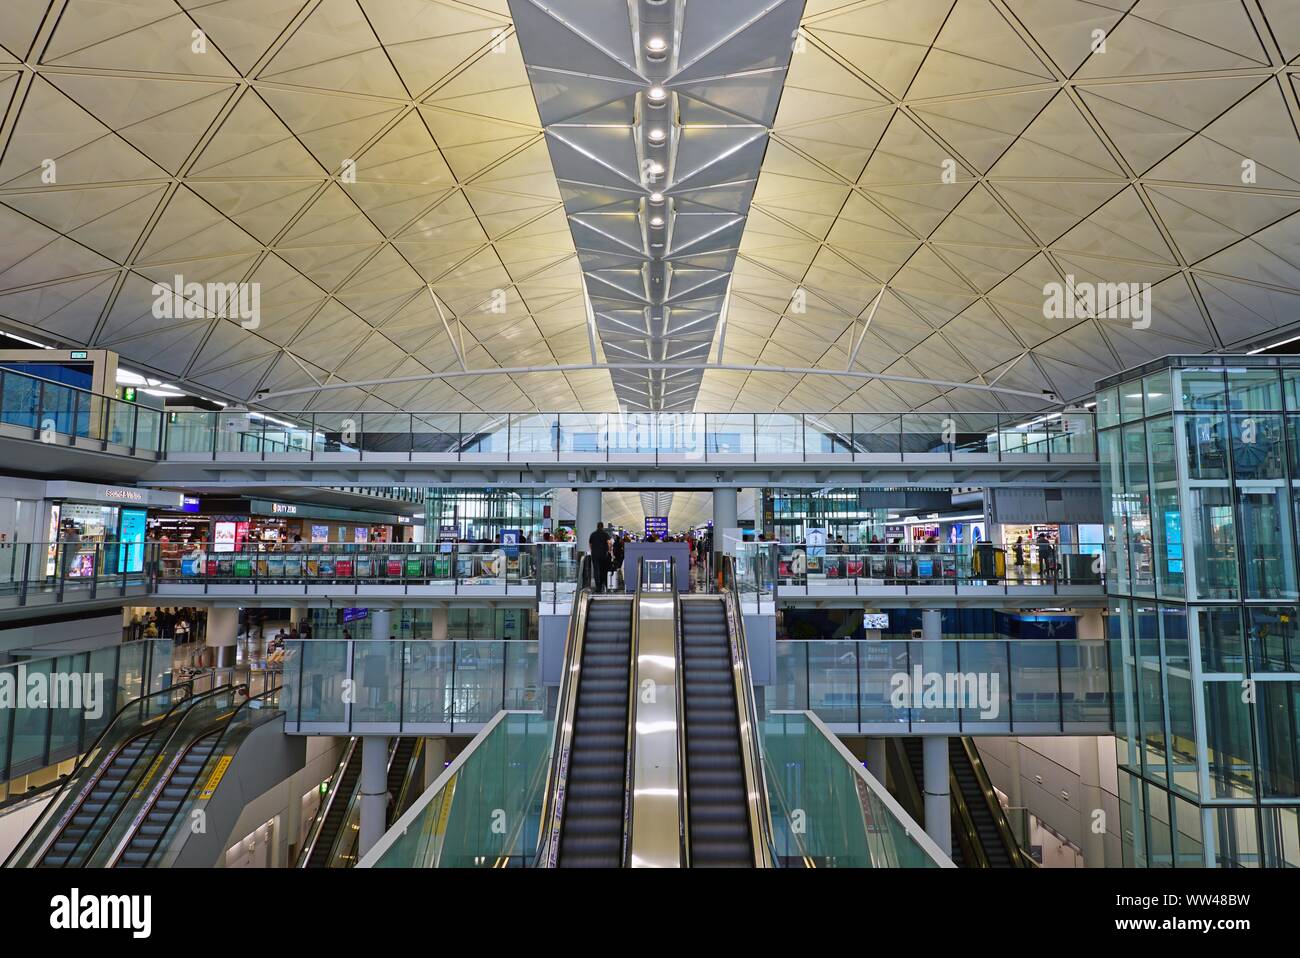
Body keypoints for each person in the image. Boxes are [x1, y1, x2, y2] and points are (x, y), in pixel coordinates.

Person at [588, 521, 611, 592]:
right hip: (603, 554)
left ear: (597, 526)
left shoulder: (593, 534)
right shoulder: (605, 534)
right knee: (602, 570)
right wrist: (609, 550)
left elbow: (590, 544)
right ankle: (602, 584)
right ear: (602, 526)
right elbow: (609, 543)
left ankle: (598, 587)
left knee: (596, 570)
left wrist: (593, 550)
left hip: (595, 554)